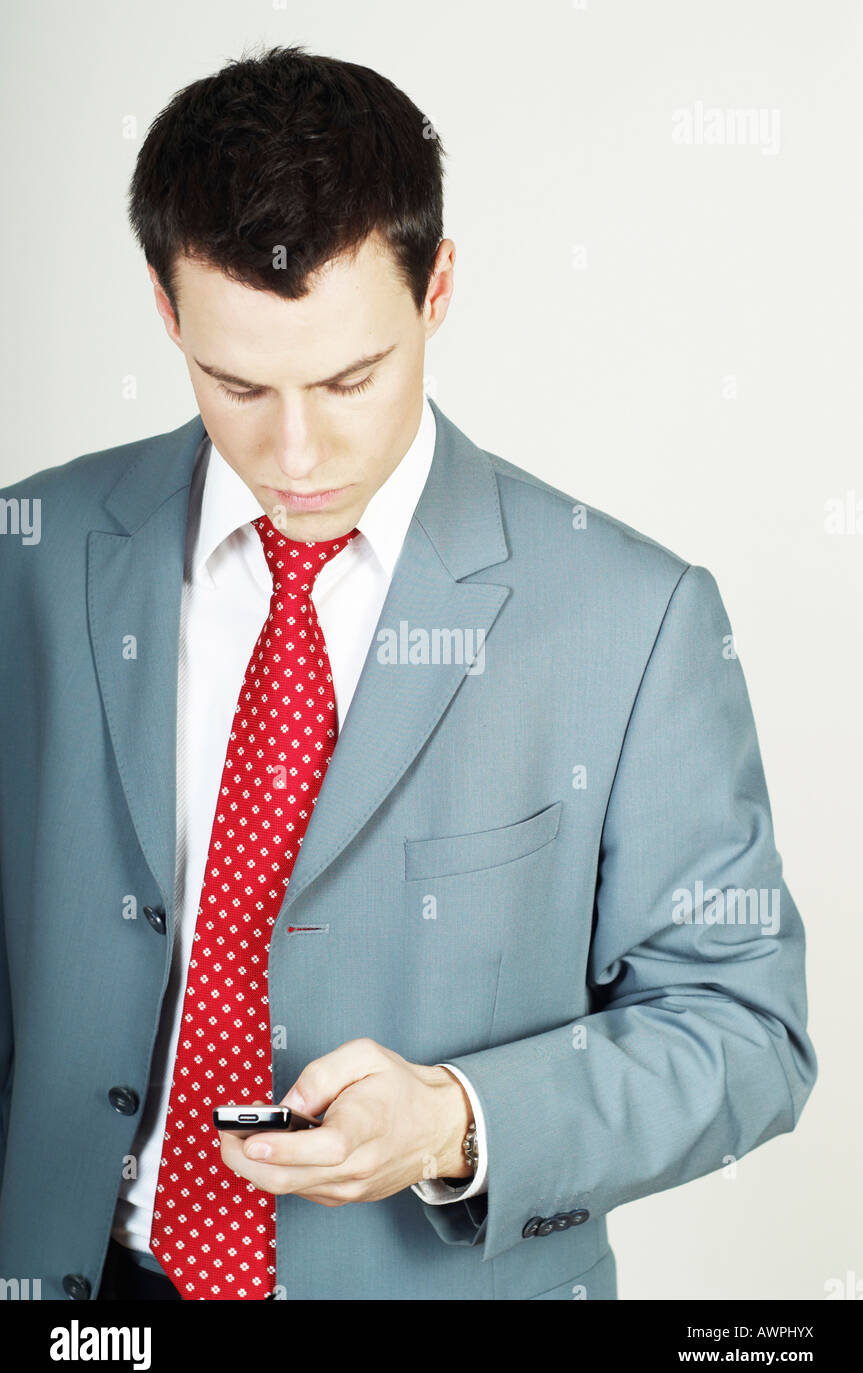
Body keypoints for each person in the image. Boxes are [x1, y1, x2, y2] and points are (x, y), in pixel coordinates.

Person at [0, 43, 816, 1302]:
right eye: (235, 381)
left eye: (349, 377)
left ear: (437, 290)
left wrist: (453, 1121)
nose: (296, 450)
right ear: (166, 312)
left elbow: (744, 1033)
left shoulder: (634, 617)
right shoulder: (29, 560)